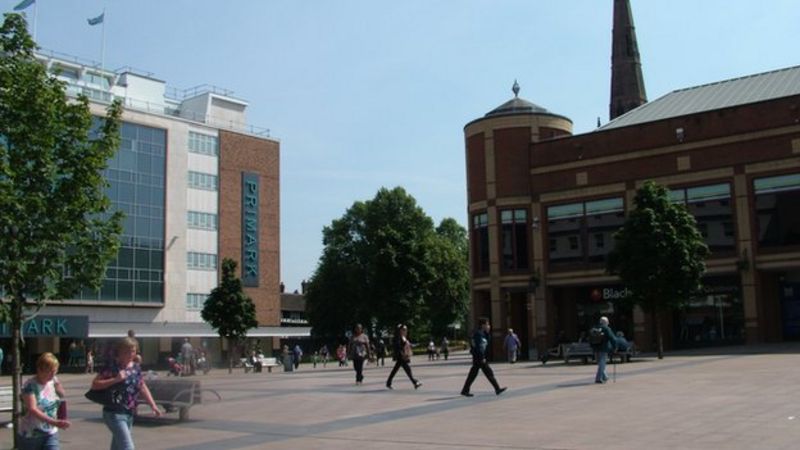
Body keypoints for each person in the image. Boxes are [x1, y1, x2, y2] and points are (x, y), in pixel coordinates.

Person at [92, 337, 161, 450]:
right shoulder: (112, 367)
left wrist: (153, 405)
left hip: (129, 413)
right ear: (119, 352)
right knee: (128, 447)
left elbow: (142, 386)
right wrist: (115, 380)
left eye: (133, 351)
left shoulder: (135, 367)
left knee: (118, 447)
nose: (130, 354)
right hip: (113, 413)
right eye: (126, 351)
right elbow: (95, 384)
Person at [18, 352, 70, 450]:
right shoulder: (29, 385)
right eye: (49, 371)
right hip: (31, 434)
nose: (52, 374)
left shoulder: (53, 380)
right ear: (39, 370)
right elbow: (33, 409)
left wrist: (59, 389)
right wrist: (54, 422)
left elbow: (62, 395)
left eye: (55, 371)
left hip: (50, 432)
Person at [461, 317, 506, 397]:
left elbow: (486, 343)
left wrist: (488, 333)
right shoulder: (478, 334)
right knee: (487, 373)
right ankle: (497, 389)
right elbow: (478, 347)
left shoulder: (483, 334)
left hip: (479, 358)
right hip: (479, 357)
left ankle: (465, 390)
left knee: (474, 374)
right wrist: (482, 357)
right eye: (487, 324)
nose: (488, 326)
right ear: (483, 325)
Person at [385, 324, 422, 390]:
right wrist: (403, 354)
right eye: (404, 329)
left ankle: (388, 382)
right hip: (401, 356)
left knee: (395, 370)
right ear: (400, 330)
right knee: (407, 369)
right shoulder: (398, 337)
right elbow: (398, 347)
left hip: (402, 356)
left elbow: (407, 344)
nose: (406, 331)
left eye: (406, 329)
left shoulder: (403, 337)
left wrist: (412, 345)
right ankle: (415, 382)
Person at [590, 316, 618, 384]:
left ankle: (605, 376)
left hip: (596, 348)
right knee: (602, 364)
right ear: (606, 322)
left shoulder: (594, 328)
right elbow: (612, 338)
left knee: (600, 363)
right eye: (608, 322)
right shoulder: (606, 328)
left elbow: (590, 339)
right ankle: (598, 378)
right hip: (604, 348)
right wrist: (615, 347)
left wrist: (592, 347)